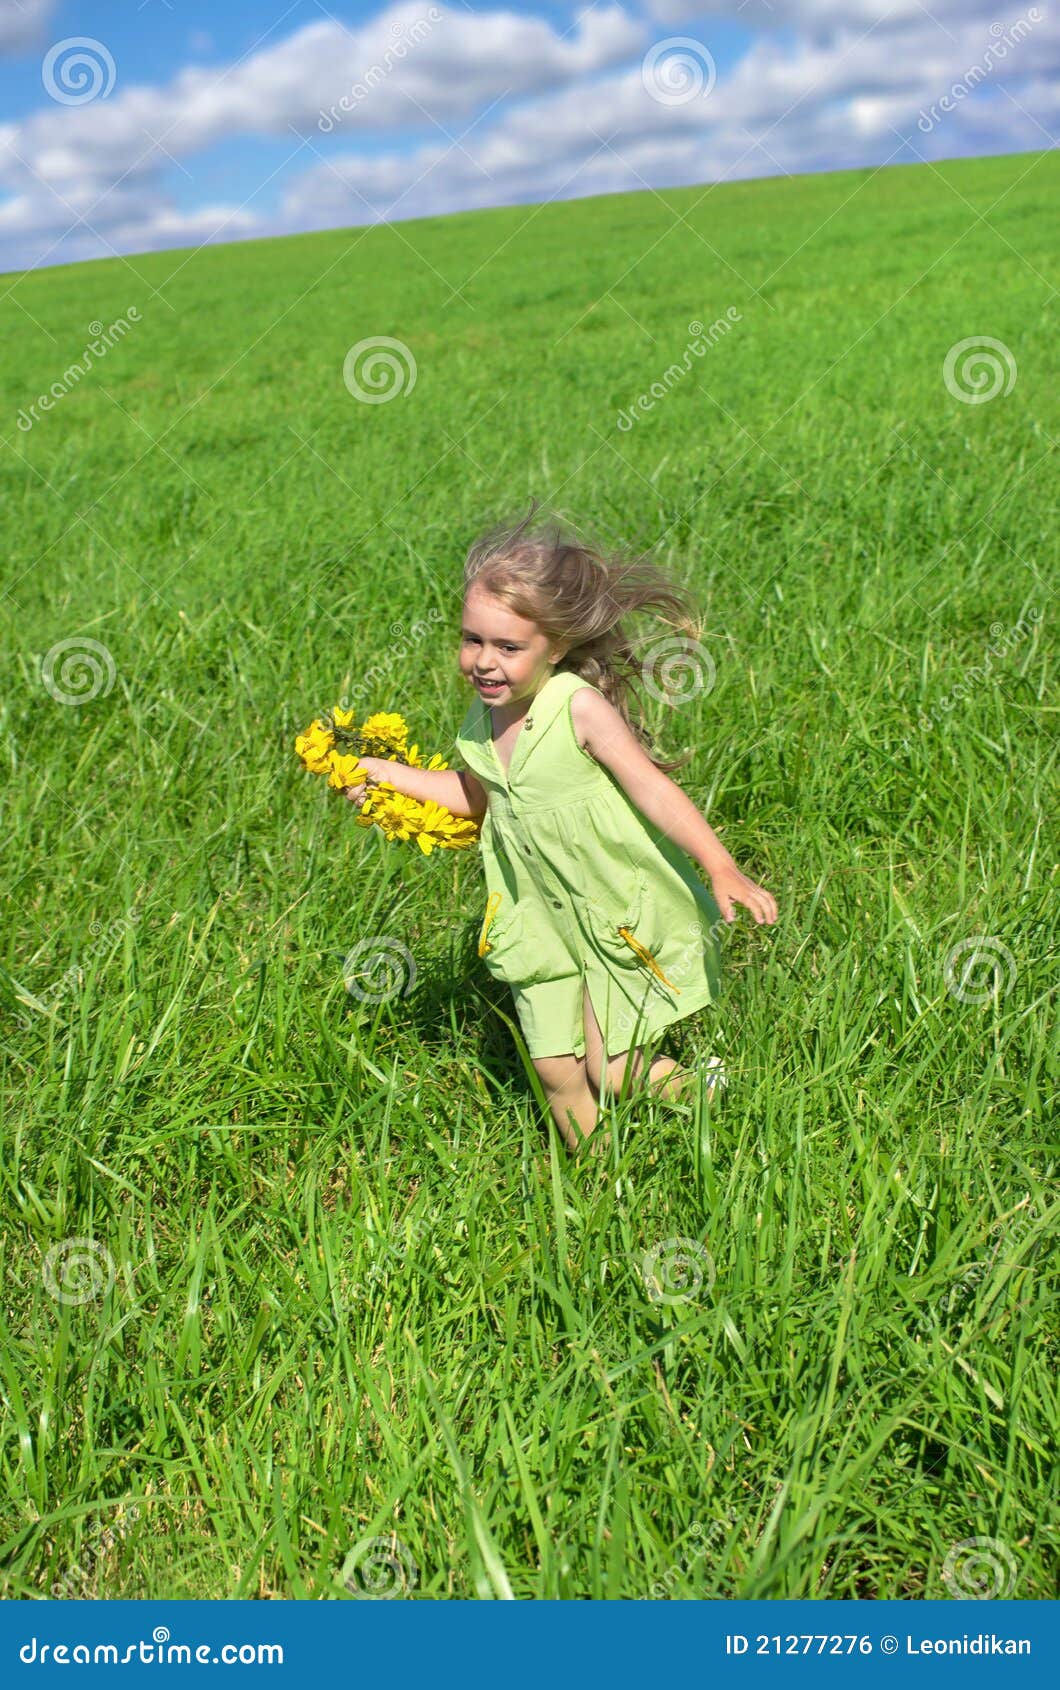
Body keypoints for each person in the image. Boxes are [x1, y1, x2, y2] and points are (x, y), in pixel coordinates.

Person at [343, 504, 778, 1156]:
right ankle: (601, 1184)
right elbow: (477, 796)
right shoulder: (479, 721)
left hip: (611, 909)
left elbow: (651, 788)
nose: (484, 662)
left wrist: (720, 864)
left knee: (613, 1071)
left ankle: (708, 1094)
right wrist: (384, 773)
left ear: (560, 646)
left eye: (508, 647)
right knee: (554, 1071)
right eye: (471, 640)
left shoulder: (576, 707)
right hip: (535, 921)